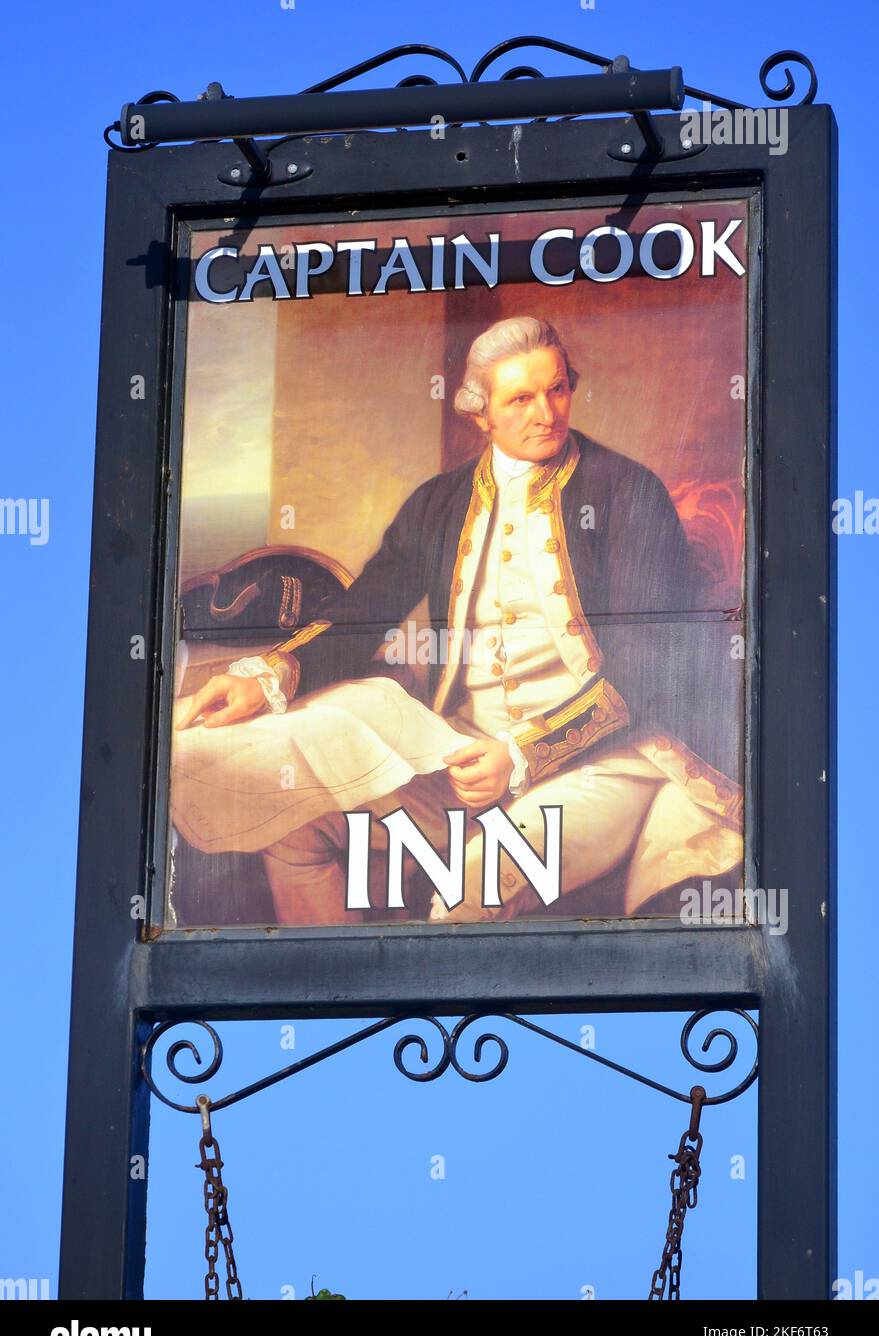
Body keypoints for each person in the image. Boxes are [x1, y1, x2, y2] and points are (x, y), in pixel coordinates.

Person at [175, 315, 743, 924]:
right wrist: (269, 673)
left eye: (557, 389)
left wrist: (522, 753)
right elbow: (363, 613)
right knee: (293, 824)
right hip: (463, 752)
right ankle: (337, 996)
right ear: (481, 414)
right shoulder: (439, 502)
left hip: (607, 761)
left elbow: (648, 668)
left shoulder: (628, 493)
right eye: (521, 399)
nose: (546, 413)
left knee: (470, 886)